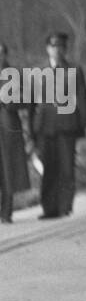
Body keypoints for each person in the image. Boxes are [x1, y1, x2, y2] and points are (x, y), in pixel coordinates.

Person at [32, 30, 86, 220]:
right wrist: (34, 128)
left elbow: (82, 99)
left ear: (65, 50)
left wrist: (82, 124)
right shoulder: (39, 72)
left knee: (66, 168)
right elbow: (34, 103)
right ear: (48, 49)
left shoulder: (74, 70)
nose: (56, 51)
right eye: (53, 47)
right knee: (49, 168)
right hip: (46, 127)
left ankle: (65, 206)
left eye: (60, 47)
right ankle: (49, 208)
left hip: (67, 125)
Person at [0, 41, 32, 222]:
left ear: (5, 55)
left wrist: (7, 99)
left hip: (7, 127)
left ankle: (6, 212)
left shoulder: (15, 74)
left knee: (8, 170)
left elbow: (26, 100)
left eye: (1, 53)